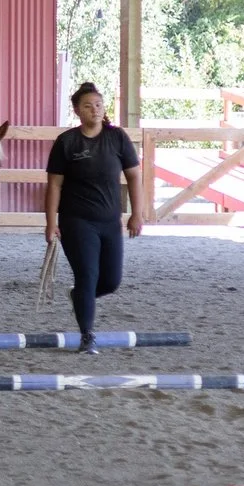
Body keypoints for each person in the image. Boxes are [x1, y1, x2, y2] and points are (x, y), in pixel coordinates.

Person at [44, 81, 145, 353]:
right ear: (77, 111)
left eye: (98, 105)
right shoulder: (67, 142)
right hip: (77, 220)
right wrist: (51, 222)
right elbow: (54, 185)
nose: (95, 110)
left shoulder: (117, 138)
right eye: (88, 106)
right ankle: (87, 335)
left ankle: (80, 296)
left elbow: (134, 176)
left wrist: (137, 213)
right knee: (87, 274)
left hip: (110, 221)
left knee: (110, 281)